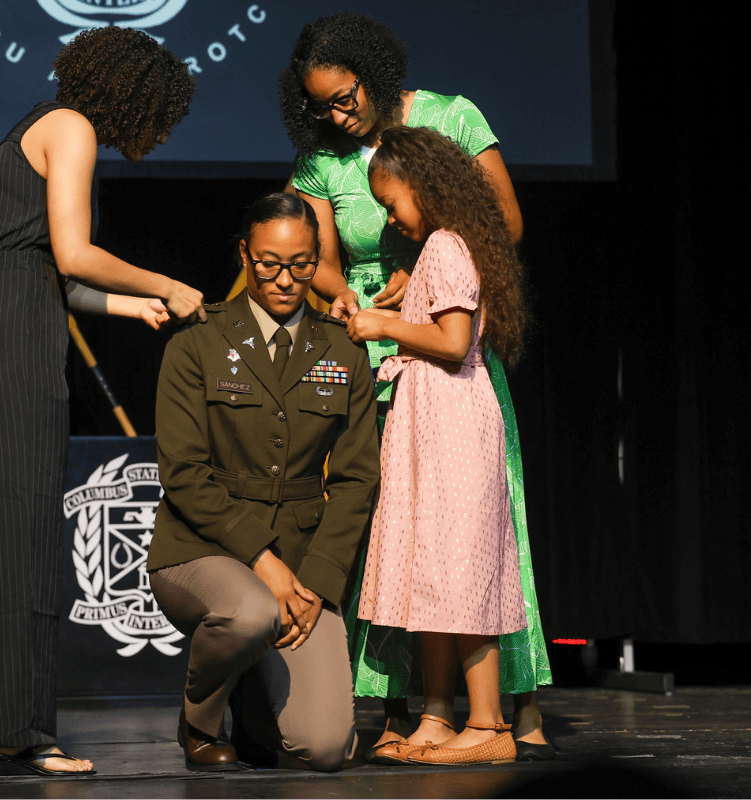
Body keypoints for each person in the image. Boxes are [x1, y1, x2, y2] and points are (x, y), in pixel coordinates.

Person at [278, 11, 553, 761]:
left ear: (371, 71)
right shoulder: (324, 162)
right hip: (375, 338)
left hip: (440, 342)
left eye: (345, 96)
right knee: (401, 531)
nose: (338, 114)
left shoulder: (449, 120)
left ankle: (500, 712)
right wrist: (361, 305)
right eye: (322, 107)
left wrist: (423, 275)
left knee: (468, 532)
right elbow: (317, 256)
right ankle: (413, 709)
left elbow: (503, 222)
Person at [0, 27, 204, 777]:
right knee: (20, 533)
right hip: (10, 343)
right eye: (161, 115)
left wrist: (127, 311)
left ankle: (17, 730)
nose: (158, 131)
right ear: (133, 96)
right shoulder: (74, 127)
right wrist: (165, 285)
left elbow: (42, 266)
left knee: (11, 530)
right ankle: (25, 736)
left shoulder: (38, 124)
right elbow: (74, 255)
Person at [147, 193, 379, 773]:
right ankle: (198, 721)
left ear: (318, 258)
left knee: (324, 748)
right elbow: (183, 473)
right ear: (245, 256)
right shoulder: (196, 341)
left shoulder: (343, 349)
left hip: (303, 560)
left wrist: (317, 583)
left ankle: (254, 705)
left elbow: (355, 480)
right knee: (249, 611)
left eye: (302, 264)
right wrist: (265, 563)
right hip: (201, 548)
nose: (284, 279)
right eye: (269, 263)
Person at [349, 125, 529, 765]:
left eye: (390, 201)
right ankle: (435, 714)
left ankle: (487, 725)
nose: (387, 216)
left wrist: (385, 324)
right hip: (431, 421)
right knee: (429, 569)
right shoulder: (435, 249)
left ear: (422, 186)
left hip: (453, 421)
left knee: (460, 572)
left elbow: (454, 344)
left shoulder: (449, 246)